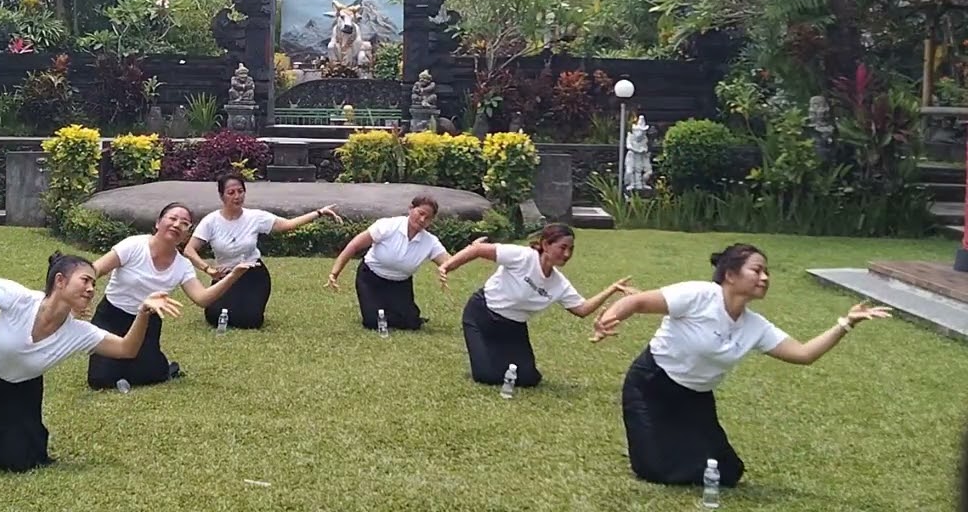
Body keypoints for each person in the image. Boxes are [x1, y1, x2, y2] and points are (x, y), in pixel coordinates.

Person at [591, 243, 891, 488]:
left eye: (767, 272)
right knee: (655, 471)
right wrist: (608, 319)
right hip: (651, 385)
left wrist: (846, 323)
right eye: (757, 270)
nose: (765, 278)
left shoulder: (755, 326)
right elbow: (638, 302)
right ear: (730, 275)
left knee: (727, 472)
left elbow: (803, 354)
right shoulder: (698, 295)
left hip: (696, 398)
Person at [0, 252, 181, 473]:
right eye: (85, 280)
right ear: (60, 281)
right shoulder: (20, 299)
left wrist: (143, 312)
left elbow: (126, 349)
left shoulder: (79, 332)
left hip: (22, 394)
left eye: (94, 284)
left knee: (22, 461)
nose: (90, 288)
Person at [438, 223, 634, 387]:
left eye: (571, 249)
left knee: (529, 378)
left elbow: (582, 309)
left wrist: (613, 289)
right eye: (562, 247)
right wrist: (447, 266)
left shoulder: (559, 283)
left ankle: (496, 357)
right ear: (545, 245)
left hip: (513, 327)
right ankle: (488, 360)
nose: (566, 254)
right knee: (486, 376)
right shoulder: (522, 256)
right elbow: (478, 249)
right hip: (481, 315)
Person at [86, 202, 254, 387]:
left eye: (184, 223)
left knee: (153, 374)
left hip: (147, 323)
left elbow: (202, 299)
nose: (177, 225)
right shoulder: (134, 245)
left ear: (186, 234)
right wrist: (81, 295)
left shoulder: (182, 265)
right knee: (100, 380)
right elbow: (95, 270)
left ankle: (156, 364)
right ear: (158, 223)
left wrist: (233, 275)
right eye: (172, 219)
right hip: (111, 317)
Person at [182, 173, 342, 329]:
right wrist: (209, 270)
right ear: (222, 196)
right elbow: (189, 250)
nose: (237, 196)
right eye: (231, 193)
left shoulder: (255, 217)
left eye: (240, 191)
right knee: (214, 316)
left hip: (253, 274)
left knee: (251, 320)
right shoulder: (211, 221)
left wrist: (319, 213)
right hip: (225, 276)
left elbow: (287, 225)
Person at [325, 195, 462, 330]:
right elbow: (353, 246)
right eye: (420, 213)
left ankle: (398, 311)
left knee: (412, 323)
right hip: (371, 278)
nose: (422, 220)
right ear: (411, 209)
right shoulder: (388, 226)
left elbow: (449, 262)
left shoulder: (430, 242)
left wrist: (472, 250)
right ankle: (382, 309)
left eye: (428, 218)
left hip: (400, 283)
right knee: (374, 322)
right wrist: (334, 273)